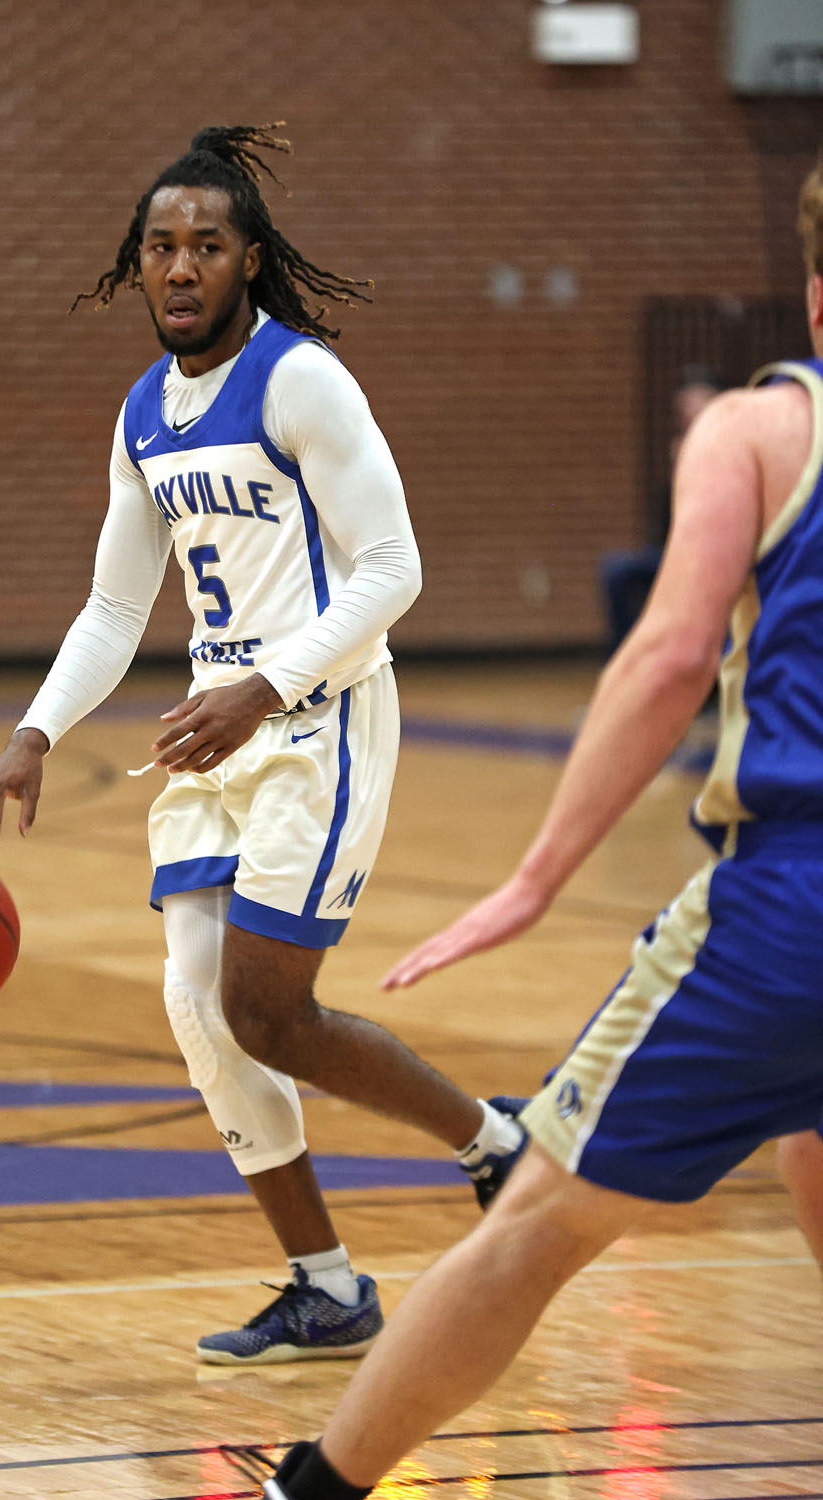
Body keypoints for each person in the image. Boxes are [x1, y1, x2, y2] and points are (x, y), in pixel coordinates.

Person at [260, 162, 823, 1496]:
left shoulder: (759, 431)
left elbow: (669, 653)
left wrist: (531, 879)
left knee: (534, 1224)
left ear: (813, 299)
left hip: (792, 907)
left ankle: (312, 1488)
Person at [0, 125, 527, 1366]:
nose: (180, 266)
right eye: (160, 247)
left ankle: (496, 1144)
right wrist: (32, 736)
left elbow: (393, 569)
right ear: (136, 265)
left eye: (206, 244)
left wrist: (262, 689)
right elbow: (113, 608)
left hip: (317, 718)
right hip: (215, 731)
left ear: (248, 263)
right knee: (198, 1012)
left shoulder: (300, 381)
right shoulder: (145, 415)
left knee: (266, 1010)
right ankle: (325, 1286)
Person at [600, 364, 725, 656]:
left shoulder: (725, 447)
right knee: (615, 570)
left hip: (712, 555)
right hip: (673, 552)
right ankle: (624, 659)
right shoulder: (680, 449)